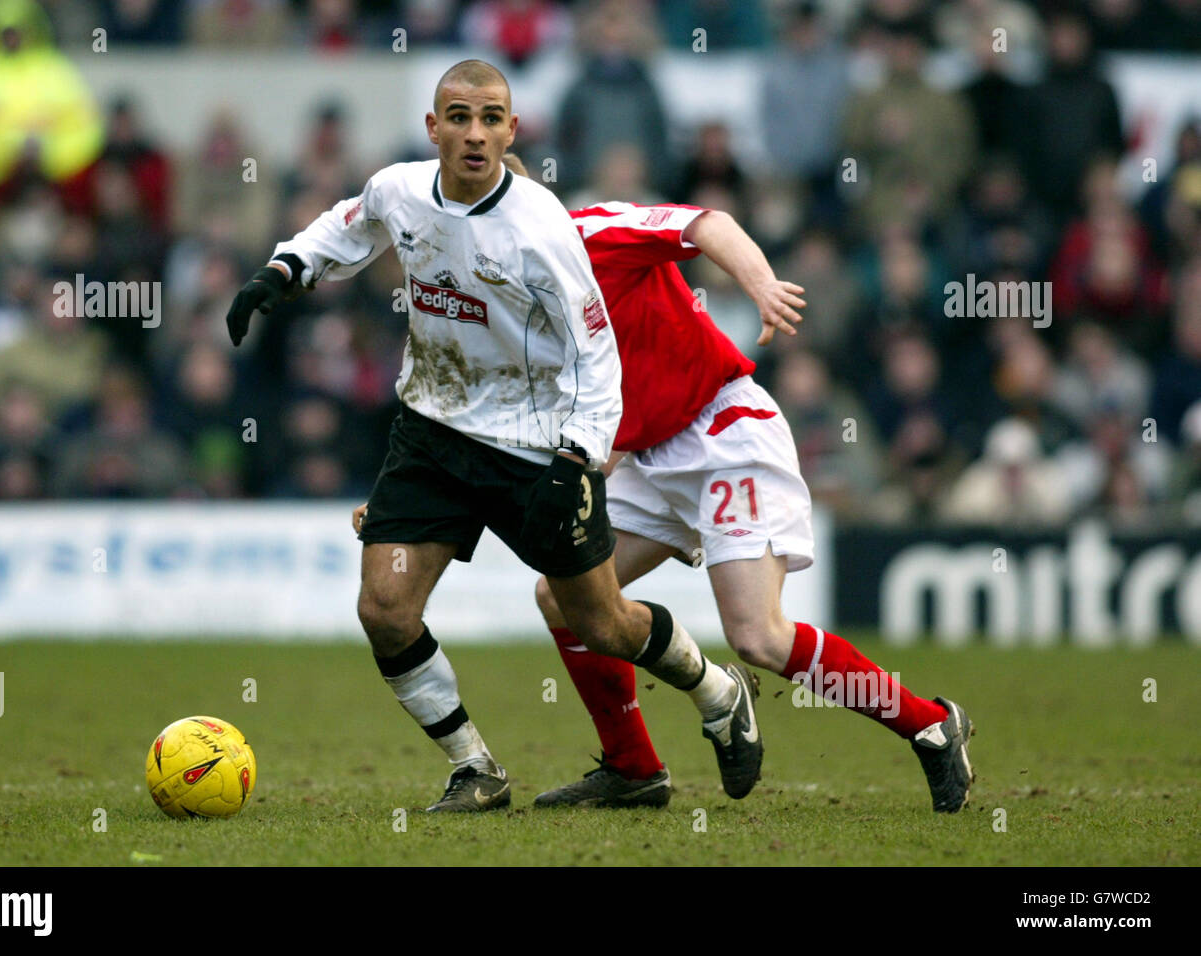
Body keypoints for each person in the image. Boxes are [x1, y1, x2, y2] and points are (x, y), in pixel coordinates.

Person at [359, 153, 977, 813]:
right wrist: (407, 503)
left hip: (722, 432)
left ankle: (930, 725)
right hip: (642, 454)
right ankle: (634, 769)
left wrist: (763, 284)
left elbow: (708, 225)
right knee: (563, 597)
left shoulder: (596, 232)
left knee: (758, 636)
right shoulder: (496, 305)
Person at [225, 60, 762, 812]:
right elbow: (351, 223)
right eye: (459, 116)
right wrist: (285, 269)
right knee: (384, 609)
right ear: (433, 127)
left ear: (512, 130)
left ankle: (716, 690)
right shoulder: (401, 190)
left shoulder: (541, 231)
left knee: (602, 623)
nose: (474, 133)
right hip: (430, 433)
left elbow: (593, 356)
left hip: (531, 447)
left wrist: (579, 459)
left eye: (490, 118)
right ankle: (476, 767)